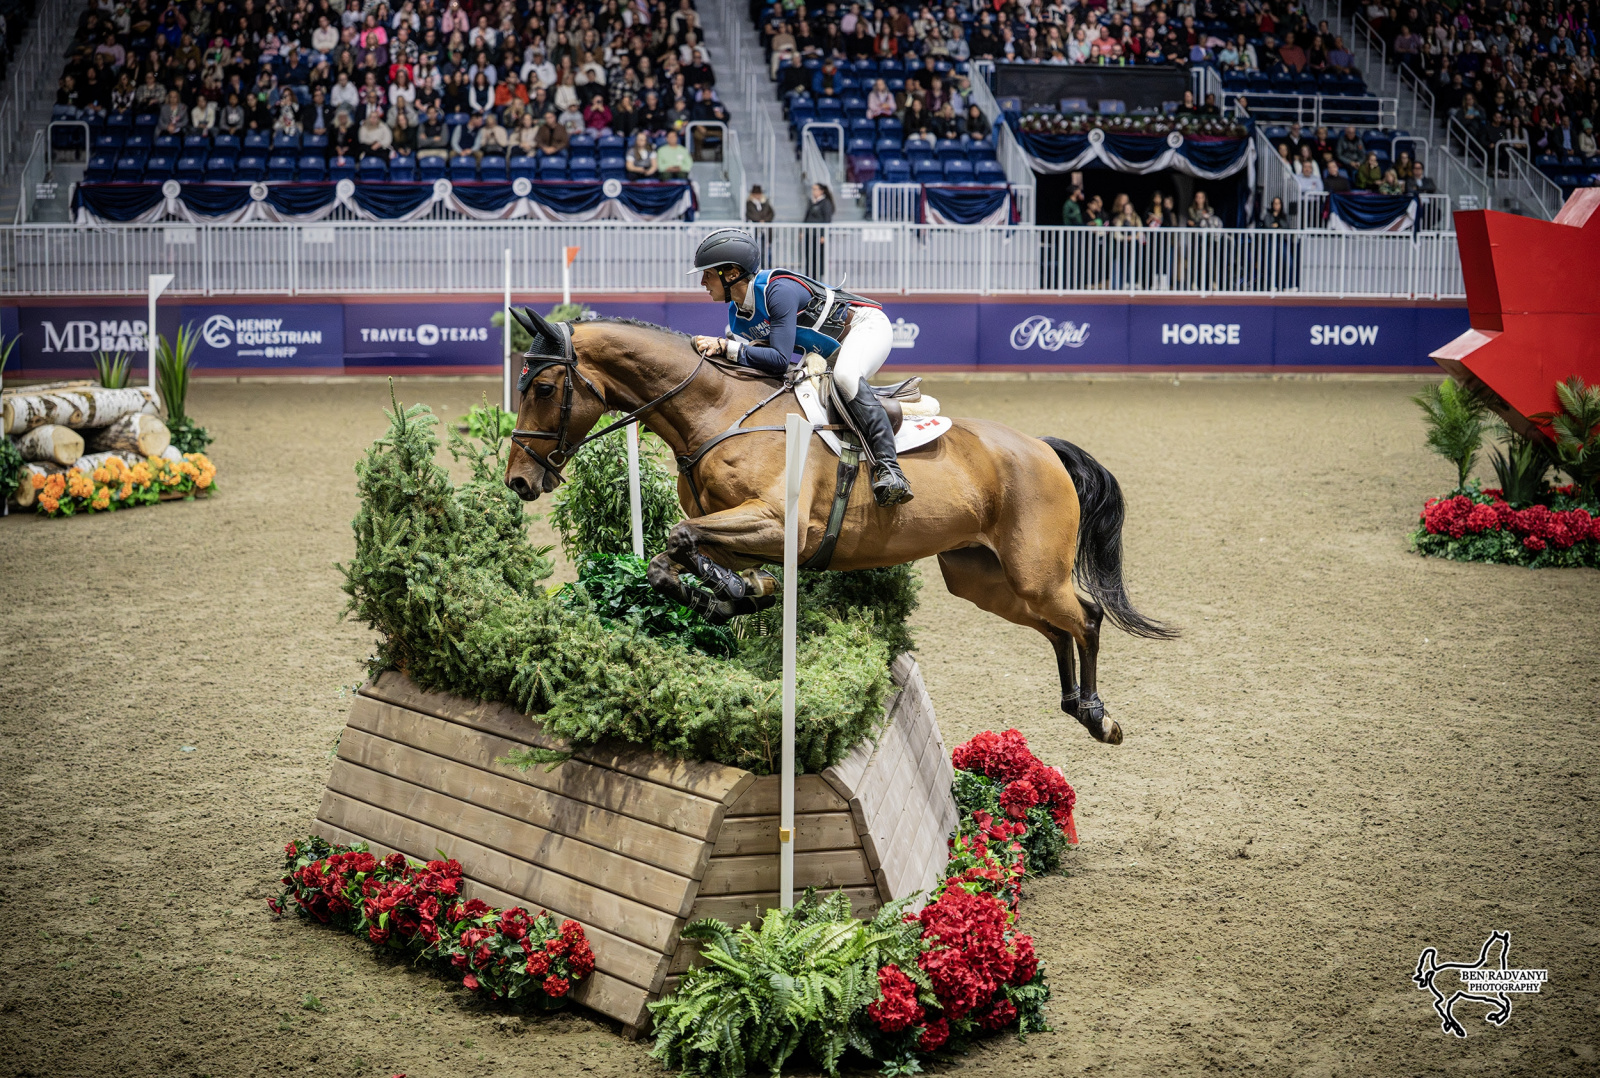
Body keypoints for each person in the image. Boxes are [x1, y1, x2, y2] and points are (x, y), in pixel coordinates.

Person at [686, 229, 912, 507]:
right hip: (825, 356)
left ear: (731, 273)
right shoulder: (737, 315)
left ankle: (890, 470)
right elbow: (755, 365)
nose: (702, 281)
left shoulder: (777, 290)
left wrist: (726, 346)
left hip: (865, 329)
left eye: (707, 273)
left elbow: (779, 359)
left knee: (846, 376)